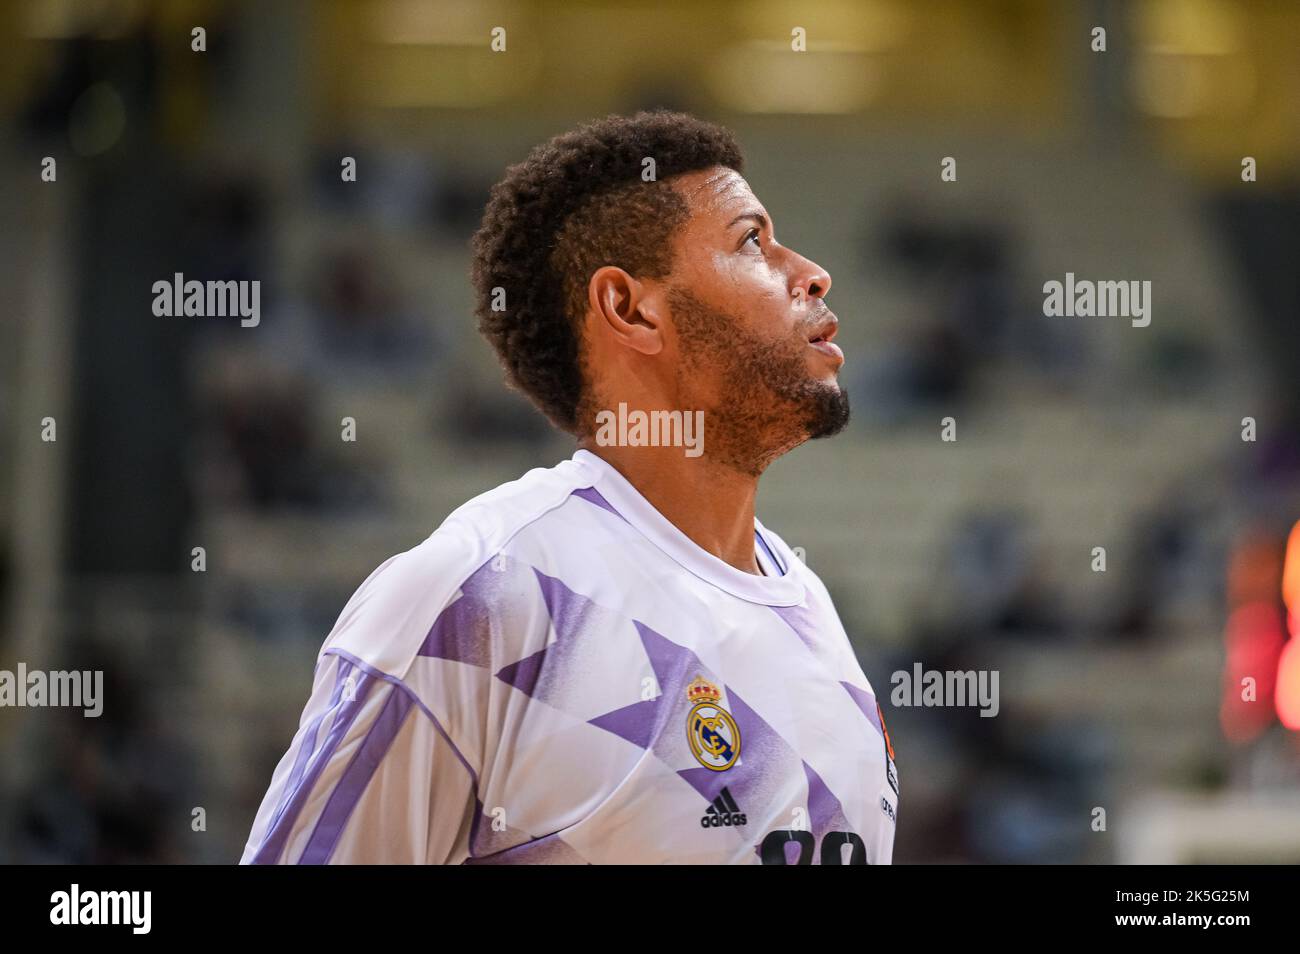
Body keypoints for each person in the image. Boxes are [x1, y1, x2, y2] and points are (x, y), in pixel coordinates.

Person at [240, 111, 896, 864]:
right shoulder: (479, 597)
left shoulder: (809, 605)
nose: (810, 270)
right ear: (630, 308)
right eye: (752, 239)